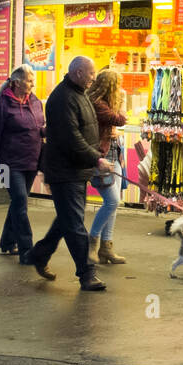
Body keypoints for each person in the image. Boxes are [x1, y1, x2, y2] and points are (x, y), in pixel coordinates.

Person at [20, 55, 111, 291]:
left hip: (77, 170)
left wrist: (95, 155)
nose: (94, 78)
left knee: (67, 220)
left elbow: (84, 130)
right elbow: (72, 138)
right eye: (91, 73)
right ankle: (87, 274)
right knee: (74, 225)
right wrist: (97, 158)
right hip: (64, 171)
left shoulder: (79, 94)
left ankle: (38, 254)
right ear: (79, 72)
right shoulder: (63, 98)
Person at [0, 65, 44, 257]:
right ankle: (27, 248)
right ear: (17, 83)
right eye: (29, 80)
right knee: (20, 202)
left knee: (19, 203)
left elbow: (39, 128)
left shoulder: (36, 102)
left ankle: (7, 242)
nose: (33, 84)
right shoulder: (1, 106)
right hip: (8, 164)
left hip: (31, 161)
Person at [86, 69, 128, 265]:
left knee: (115, 203)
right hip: (101, 156)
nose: (120, 89)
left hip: (113, 153)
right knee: (112, 202)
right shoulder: (98, 104)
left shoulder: (104, 103)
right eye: (118, 85)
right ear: (111, 86)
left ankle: (106, 247)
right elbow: (120, 119)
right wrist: (123, 101)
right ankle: (92, 242)